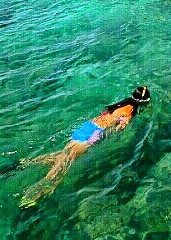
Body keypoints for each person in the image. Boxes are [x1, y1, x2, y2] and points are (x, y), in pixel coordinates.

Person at [19, 86, 151, 208]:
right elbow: (120, 126)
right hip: (94, 134)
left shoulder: (123, 102)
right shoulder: (130, 110)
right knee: (63, 166)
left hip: (88, 127)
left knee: (64, 155)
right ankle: (35, 194)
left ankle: (26, 163)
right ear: (144, 101)